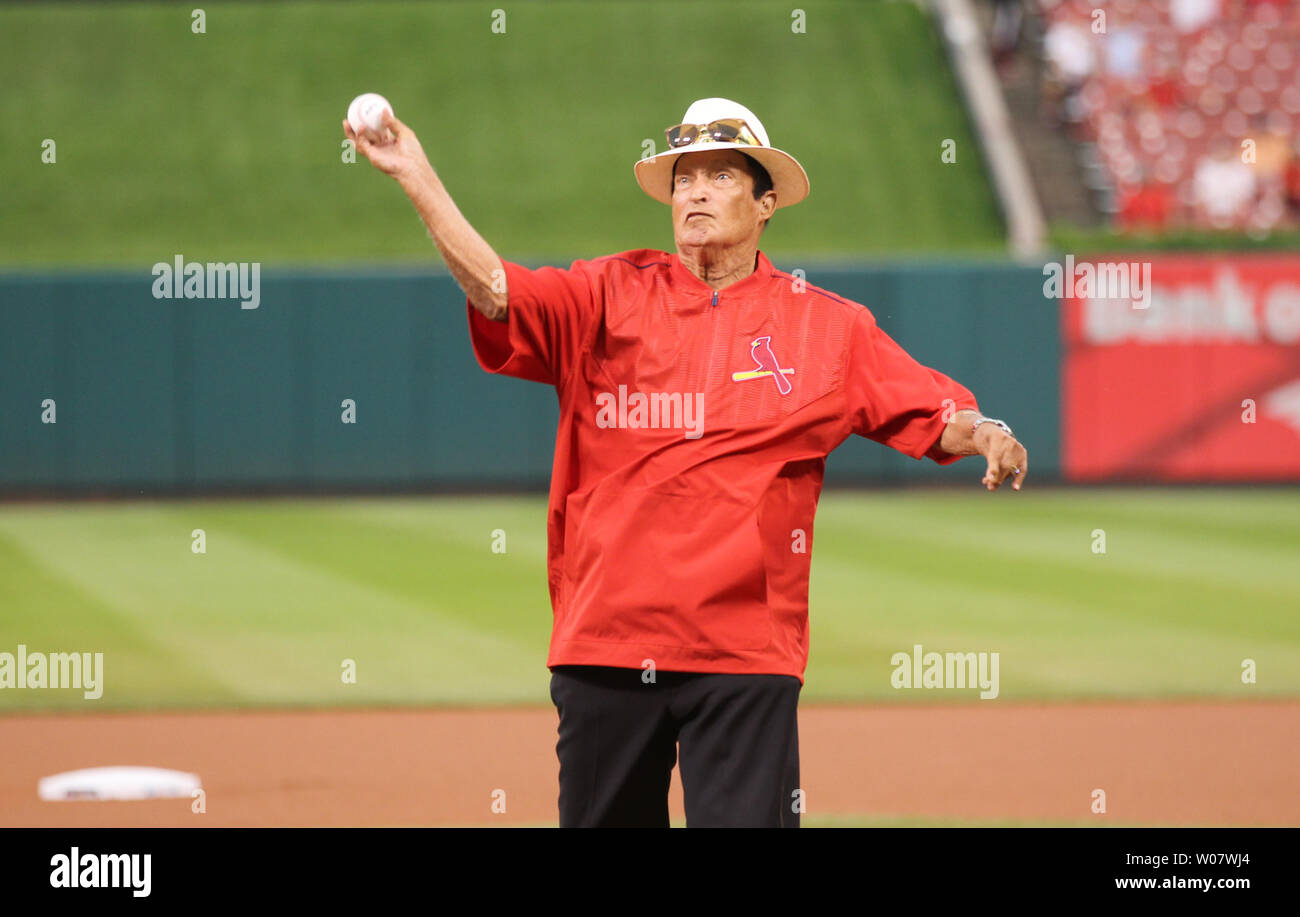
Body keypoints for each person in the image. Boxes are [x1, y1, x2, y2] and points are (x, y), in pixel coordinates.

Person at [344, 97, 1028, 828]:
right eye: (682, 178)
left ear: (766, 203)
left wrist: (987, 430)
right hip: (606, 643)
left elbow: (930, 410)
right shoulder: (606, 294)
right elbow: (497, 288)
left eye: (718, 175)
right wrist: (416, 176)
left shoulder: (826, 326)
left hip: (743, 656)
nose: (694, 191)